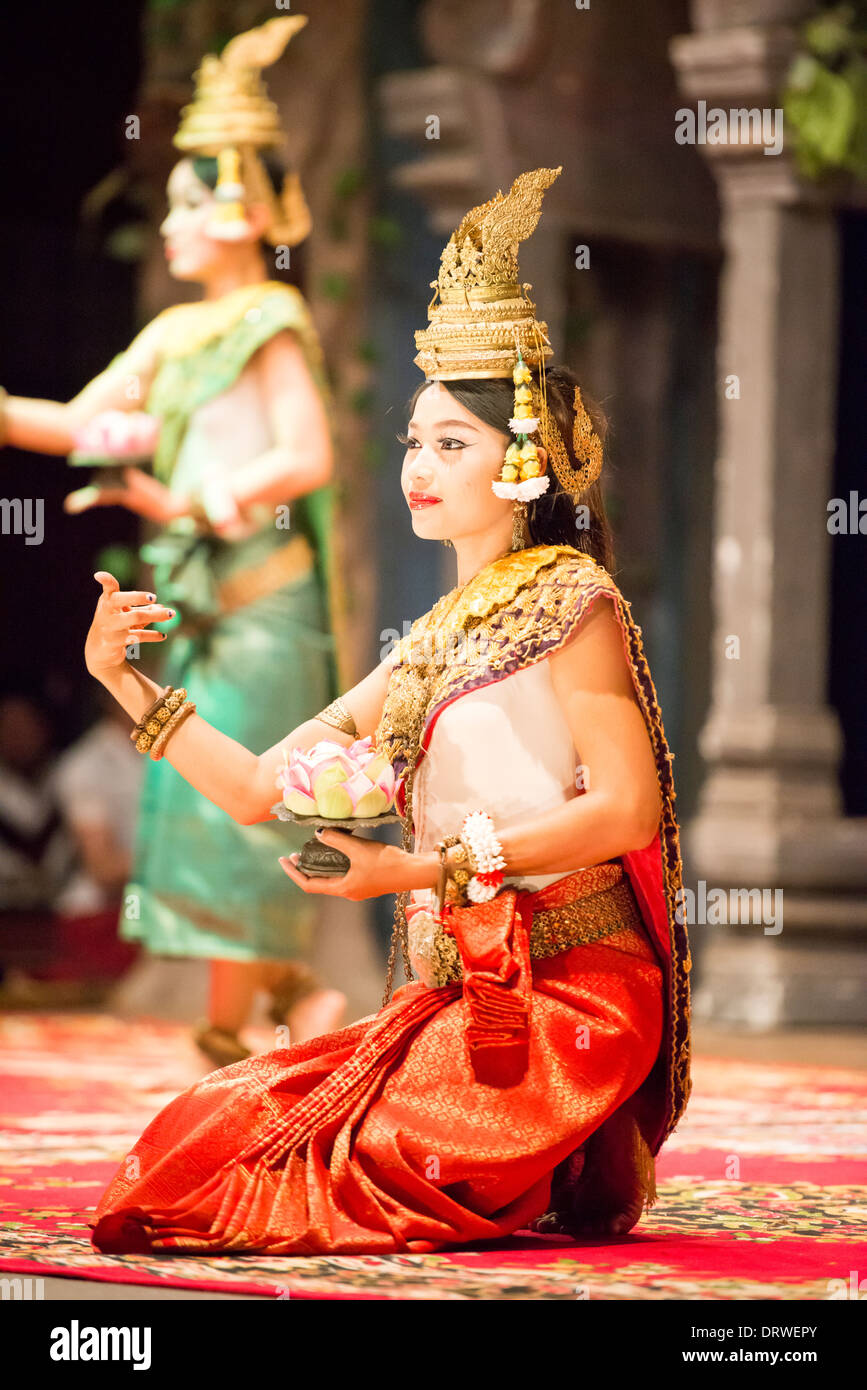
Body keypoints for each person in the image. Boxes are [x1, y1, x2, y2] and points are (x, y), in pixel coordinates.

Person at [86, 167, 691, 1256]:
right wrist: (126, 684)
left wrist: (412, 873)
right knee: (193, 1147)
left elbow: (628, 814)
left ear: (520, 464)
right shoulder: (426, 646)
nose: (418, 466)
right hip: (458, 997)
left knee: (335, 1182)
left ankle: (553, 1156)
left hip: (571, 1003)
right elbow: (260, 790)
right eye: (413, 441)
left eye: (450, 444)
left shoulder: (572, 602)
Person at [0, 18, 347, 1064]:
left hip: (257, 601)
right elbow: (83, 424)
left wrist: (194, 502)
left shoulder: (269, 316)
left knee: (247, 800)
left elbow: (308, 456)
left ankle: (240, 1022)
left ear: (241, 210)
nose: (171, 223)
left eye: (191, 202)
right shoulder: (170, 336)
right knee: (198, 802)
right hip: (201, 606)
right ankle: (281, 1007)